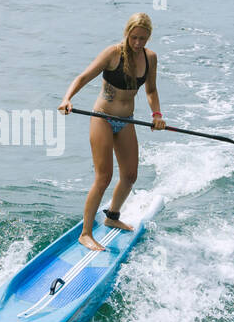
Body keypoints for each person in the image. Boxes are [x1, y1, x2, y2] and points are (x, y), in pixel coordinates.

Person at [58, 13, 166, 252]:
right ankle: (85, 233)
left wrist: (157, 115)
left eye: (143, 39)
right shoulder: (113, 53)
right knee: (103, 177)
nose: (138, 43)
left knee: (130, 176)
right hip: (102, 118)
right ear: (127, 33)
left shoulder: (150, 58)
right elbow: (83, 77)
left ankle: (112, 216)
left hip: (126, 120)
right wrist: (67, 99)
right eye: (134, 37)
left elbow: (151, 90)